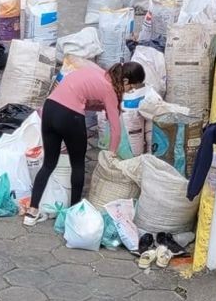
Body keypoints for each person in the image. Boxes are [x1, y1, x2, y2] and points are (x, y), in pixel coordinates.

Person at [22, 62, 144, 225]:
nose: (131, 91)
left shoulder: (97, 73)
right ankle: (74, 214)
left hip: (49, 110)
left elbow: (85, 99)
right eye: (132, 87)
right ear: (126, 81)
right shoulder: (110, 90)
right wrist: (111, 154)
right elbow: (116, 129)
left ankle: (32, 212)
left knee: (49, 164)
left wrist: (106, 107)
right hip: (70, 117)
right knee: (78, 165)